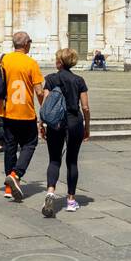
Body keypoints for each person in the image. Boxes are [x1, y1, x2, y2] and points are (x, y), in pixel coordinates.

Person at [0, 31, 45, 200]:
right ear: (26, 44)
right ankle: (15, 175)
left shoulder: (4, 60)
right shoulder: (31, 63)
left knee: (10, 148)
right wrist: (44, 110)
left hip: (7, 112)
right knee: (30, 143)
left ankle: (9, 189)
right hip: (26, 113)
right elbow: (39, 91)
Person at [41, 48, 91, 217]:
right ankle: (71, 200)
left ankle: (50, 193)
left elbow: (46, 104)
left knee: (54, 160)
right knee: (72, 161)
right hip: (74, 122)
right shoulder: (79, 80)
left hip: (55, 123)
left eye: (57, 59)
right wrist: (87, 127)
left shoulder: (50, 79)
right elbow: (85, 107)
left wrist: (42, 123)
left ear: (60, 62)